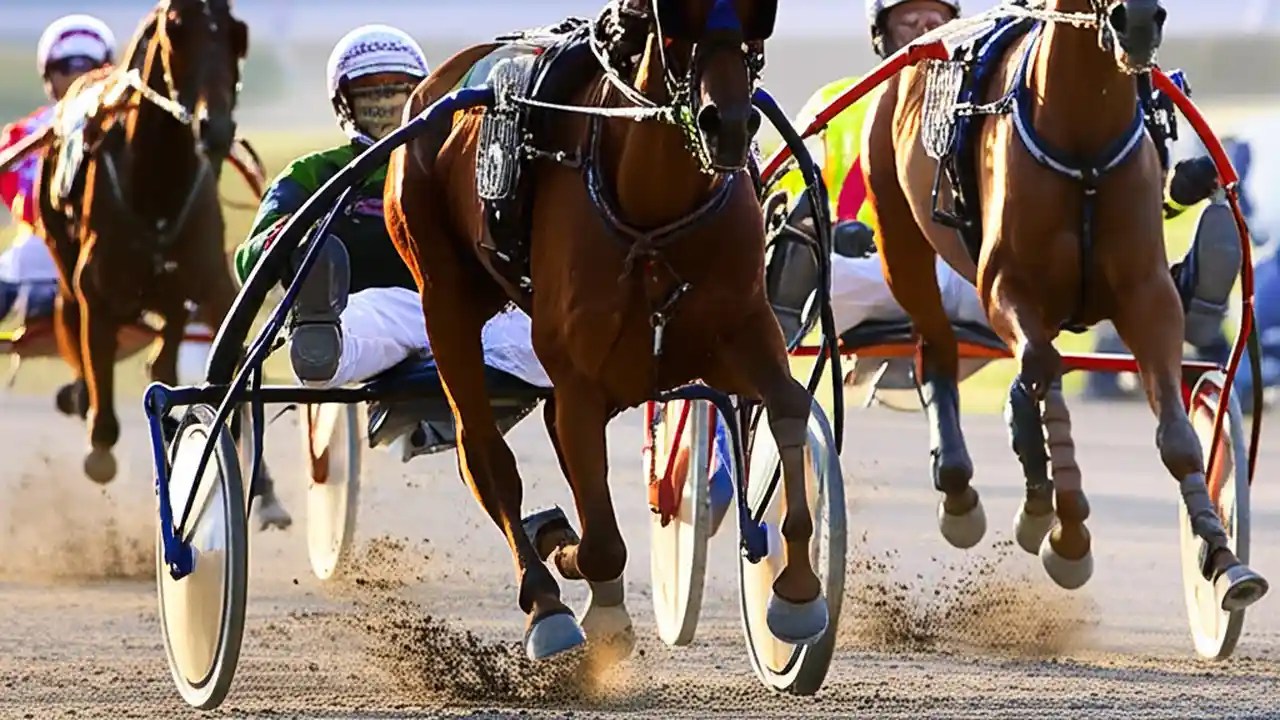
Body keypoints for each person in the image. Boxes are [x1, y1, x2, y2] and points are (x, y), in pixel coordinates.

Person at [771, 0, 1240, 383]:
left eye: (936, 20)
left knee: (1037, 269)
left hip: (969, 269)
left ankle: (1175, 291)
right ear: (882, 36)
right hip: (864, 273)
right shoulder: (838, 104)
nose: (924, 30)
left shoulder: (966, 101)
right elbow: (787, 196)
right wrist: (828, 232)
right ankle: (776, 329)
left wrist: (1169, 197)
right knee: (815, 266)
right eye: (909, 22)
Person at [233, 25, 551, 456]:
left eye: (397, 94)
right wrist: (290, 244)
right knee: (345, 338)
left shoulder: (453, 163)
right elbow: (250, 260)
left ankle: (446, 402)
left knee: (548, 340)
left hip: (467, 314)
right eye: (372, 97)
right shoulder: (316, 171)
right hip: (380, 310)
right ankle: (320, 338)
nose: (386, 109)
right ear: (345, 106)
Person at [1, 15, 115, 325]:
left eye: (89, 67)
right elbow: (23, 202)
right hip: (35, 263)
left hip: (108, 258)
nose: (78, 77)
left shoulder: (123, 133)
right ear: (48, 74)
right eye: (66, 67)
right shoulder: (21, 136)